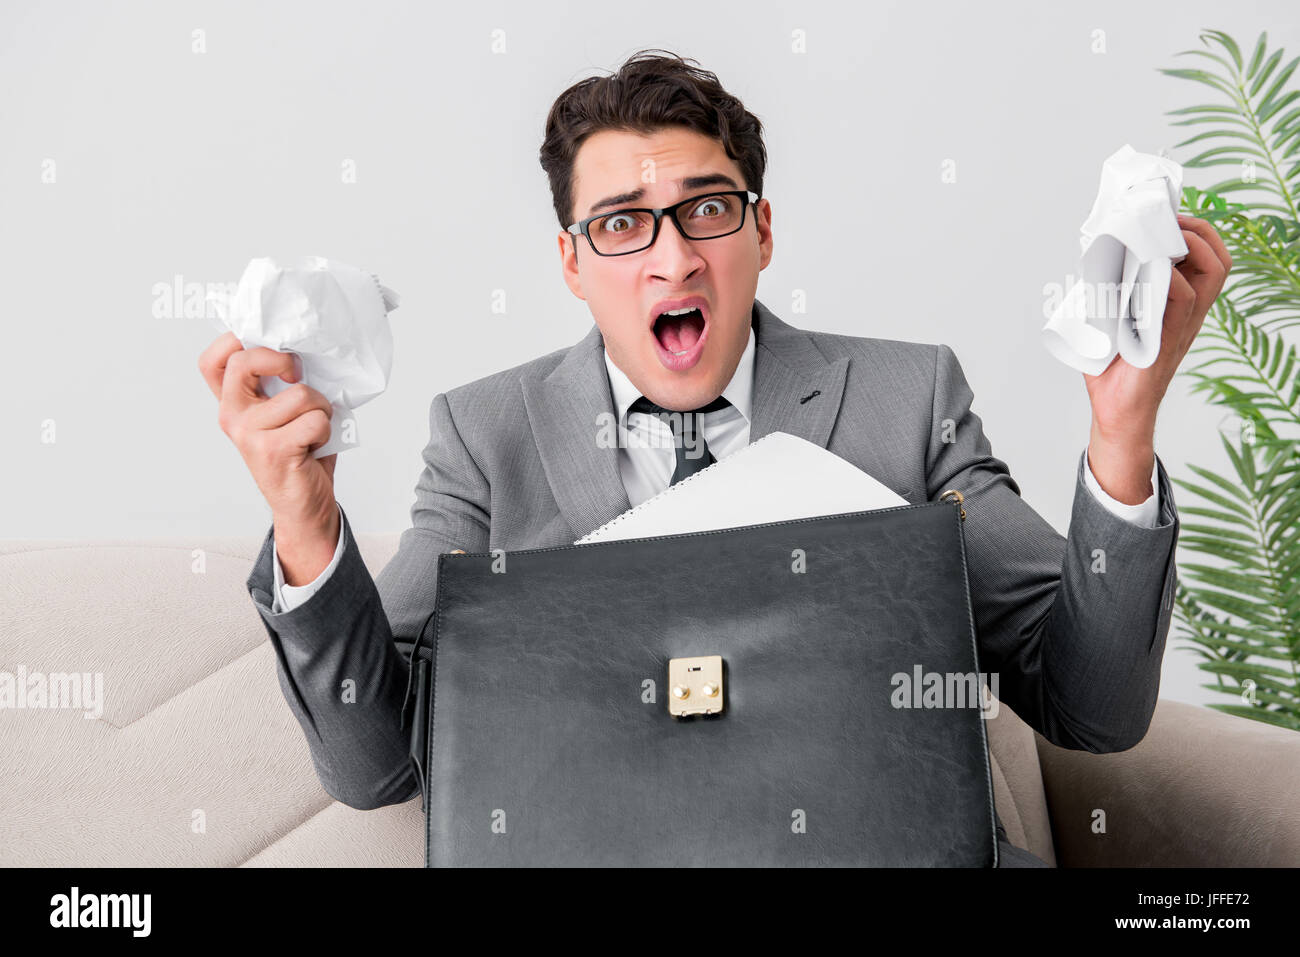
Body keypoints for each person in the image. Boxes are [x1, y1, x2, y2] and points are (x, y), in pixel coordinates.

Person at [197, 50, 1230, 867]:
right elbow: (376, 765)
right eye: (620, 224)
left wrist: (1120, 431)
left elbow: (1092, 708)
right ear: (570, 261)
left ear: (760, 230)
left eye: (706, 208)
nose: (673, 255)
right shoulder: (486, 435)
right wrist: (304, 519)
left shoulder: (903, 401)